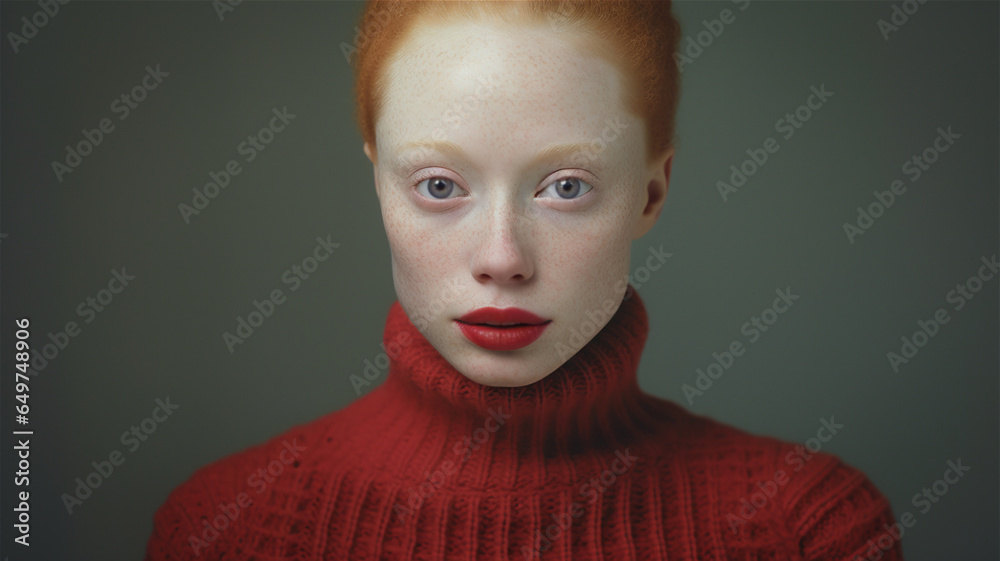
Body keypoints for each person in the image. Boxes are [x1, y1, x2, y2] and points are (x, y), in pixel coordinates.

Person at [145, 1, 905, 559]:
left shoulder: (809, 528)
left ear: (652, 190)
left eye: (566, 186)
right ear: (378, 180)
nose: (503, 257)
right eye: (440, 186)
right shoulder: (223, 527)